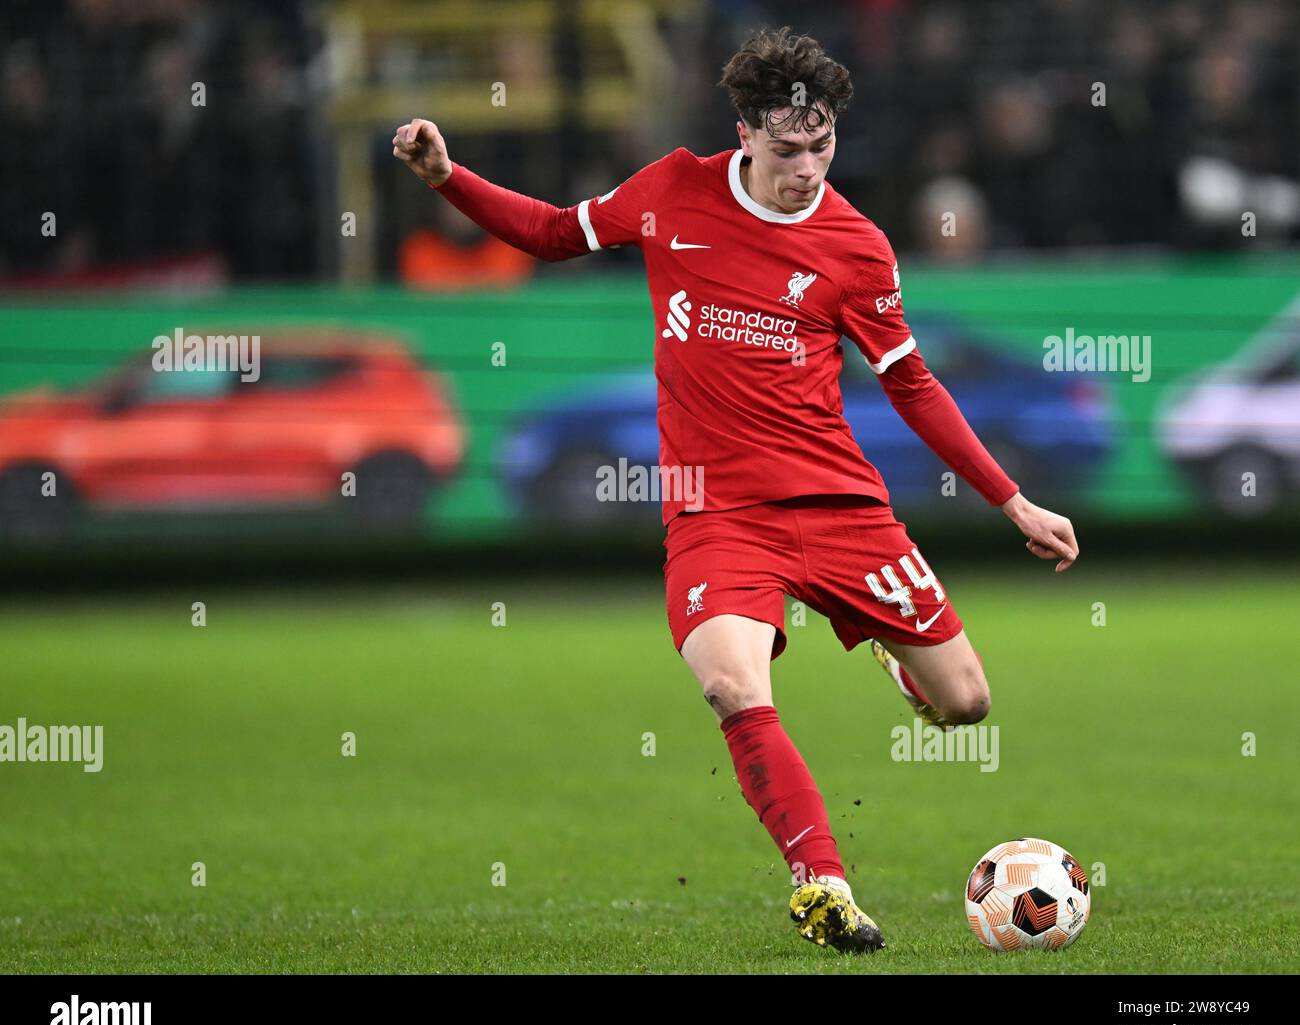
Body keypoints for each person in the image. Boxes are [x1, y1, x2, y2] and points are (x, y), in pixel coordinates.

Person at [394, 25, 1078, 954]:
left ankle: (882, 650)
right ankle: (822, 883)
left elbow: (910, 384)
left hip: (841, 506)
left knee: (965, 705)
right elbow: (554, 233)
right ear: (746, 132)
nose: (809, 168)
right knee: (729, 682)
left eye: (823, 147)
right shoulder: (673, 187)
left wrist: (1014, 502)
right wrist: (447, 177)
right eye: (790, 149)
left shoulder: (857, 246)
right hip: (718, 515)